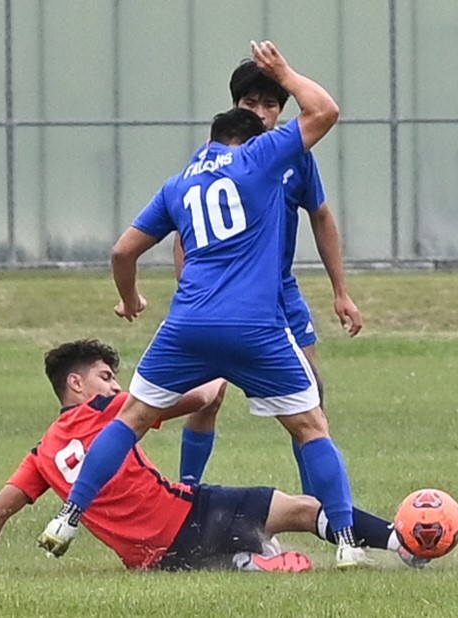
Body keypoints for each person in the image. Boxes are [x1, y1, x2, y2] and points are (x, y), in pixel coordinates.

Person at [36, 40, 368, 569]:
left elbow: (123, 250)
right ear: (245, 132)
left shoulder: (180, 182)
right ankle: (347, 542)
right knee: (310, 425)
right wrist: (285, 71)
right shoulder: (261, 158)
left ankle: (68, 516)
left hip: (188, 321)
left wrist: (131, 298)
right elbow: (325, 110)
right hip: (256, 322)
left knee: (131, 418)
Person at [0, 339, 419, 572]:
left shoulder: (41, 455)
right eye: (105, 377)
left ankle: (244, 562)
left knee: (227, 548)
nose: (112, 386)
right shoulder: (110, 410)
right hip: (185, 516)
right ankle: (408, 543)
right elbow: (204, 395)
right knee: (305, 510)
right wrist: (218, 356)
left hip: (152, 559)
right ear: (76, 384)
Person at [176, 58, 363, 493]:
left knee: (311, 400)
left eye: (270, 104)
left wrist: (341, 292)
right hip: (224, 298)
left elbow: (321, 215)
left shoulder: (294, 157)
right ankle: (186, 494)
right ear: (235, 105)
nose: (260, 112)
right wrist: (190, 292)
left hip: (281, 295)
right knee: (208, 395)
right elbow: (183, 233)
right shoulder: (214, 161)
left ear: (281, 110)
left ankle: (321, 509)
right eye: (250, 102)